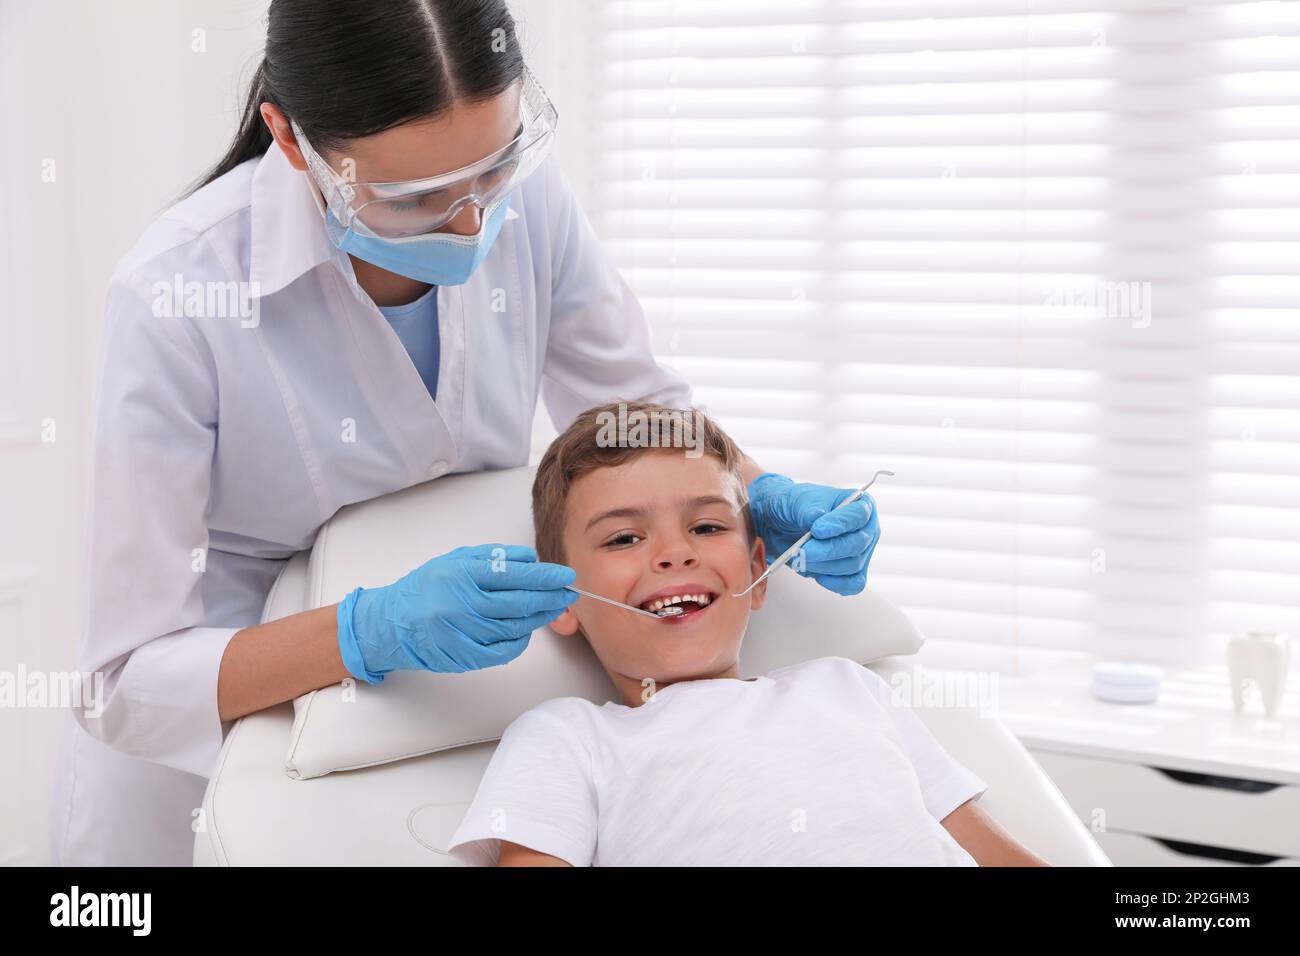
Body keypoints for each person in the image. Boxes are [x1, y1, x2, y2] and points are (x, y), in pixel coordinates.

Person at [53, 0, 880, 866]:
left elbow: (638, 410)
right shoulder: (175, 294)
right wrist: (364, 630)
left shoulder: (525, 201)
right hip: (206, 749)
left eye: (495, 168)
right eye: (414, 198)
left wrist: (752, 488)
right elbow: (122, 682)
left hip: (443, 713)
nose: (473, 224)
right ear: (290, 140)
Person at [446, 401, 1046, 866]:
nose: (675, 553)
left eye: (706, 526)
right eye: (624, 538)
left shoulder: (848, 687)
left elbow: (996, 854)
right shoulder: (570, 739)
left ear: (759, 574)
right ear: (564, 597)